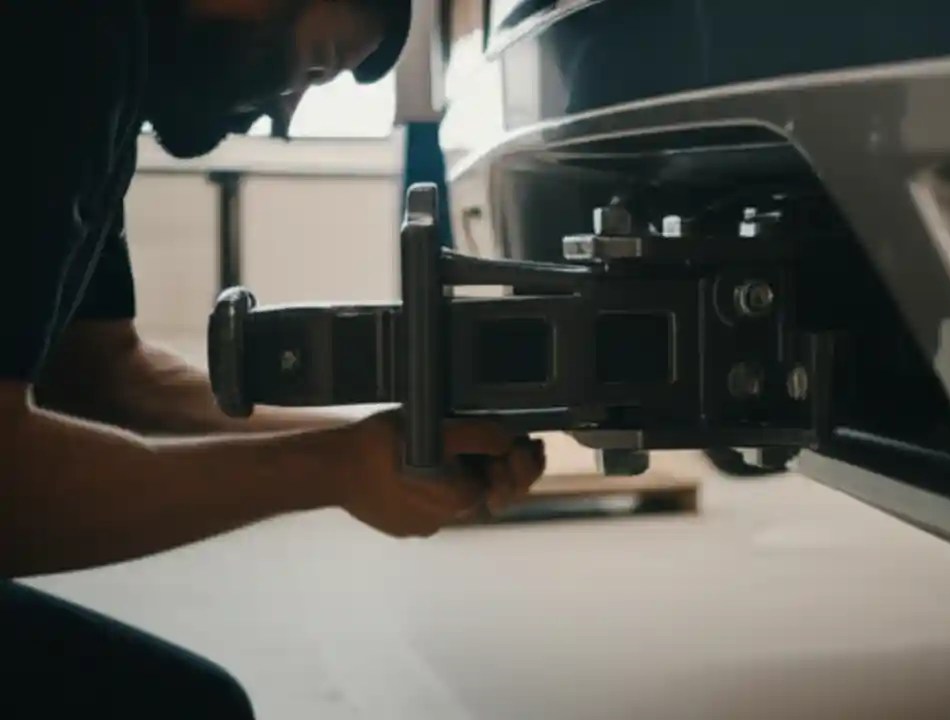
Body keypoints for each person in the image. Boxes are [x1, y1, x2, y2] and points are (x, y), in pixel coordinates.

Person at [0, 1, 546, 716]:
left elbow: (104, 373)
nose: (283, 114)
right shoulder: (57, 40)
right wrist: (333, 470)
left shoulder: (115, 79)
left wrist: (378, 442)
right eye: (312, 65)